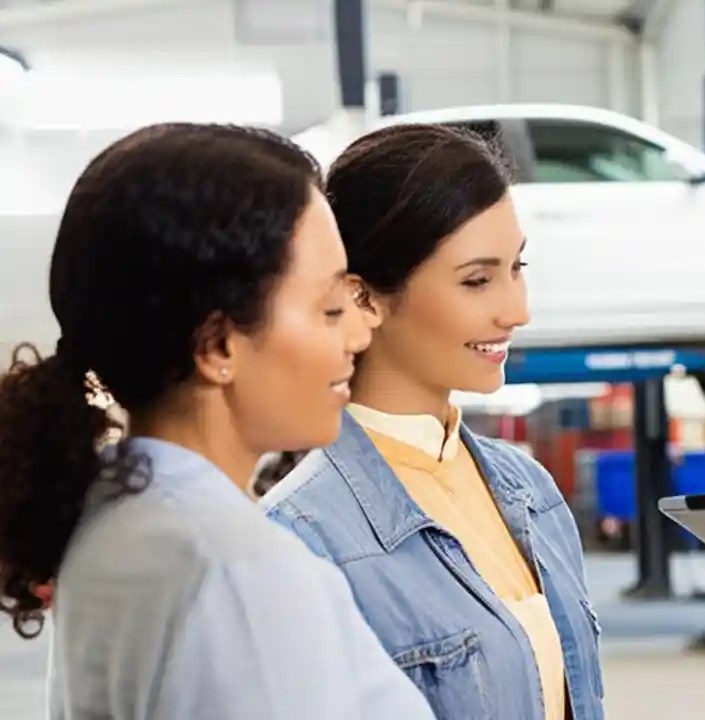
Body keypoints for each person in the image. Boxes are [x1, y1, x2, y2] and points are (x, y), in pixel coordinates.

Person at [0, 123, 436, 720]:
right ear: (218, 347)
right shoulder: (241, 574)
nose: (360, 333)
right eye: (331, 308)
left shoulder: (117, 524)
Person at [259, 124, 605, 720]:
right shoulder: (298, 542)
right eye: (477, 280)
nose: (517, 309)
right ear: (364, 298)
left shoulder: (533, 494)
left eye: (516, 267)